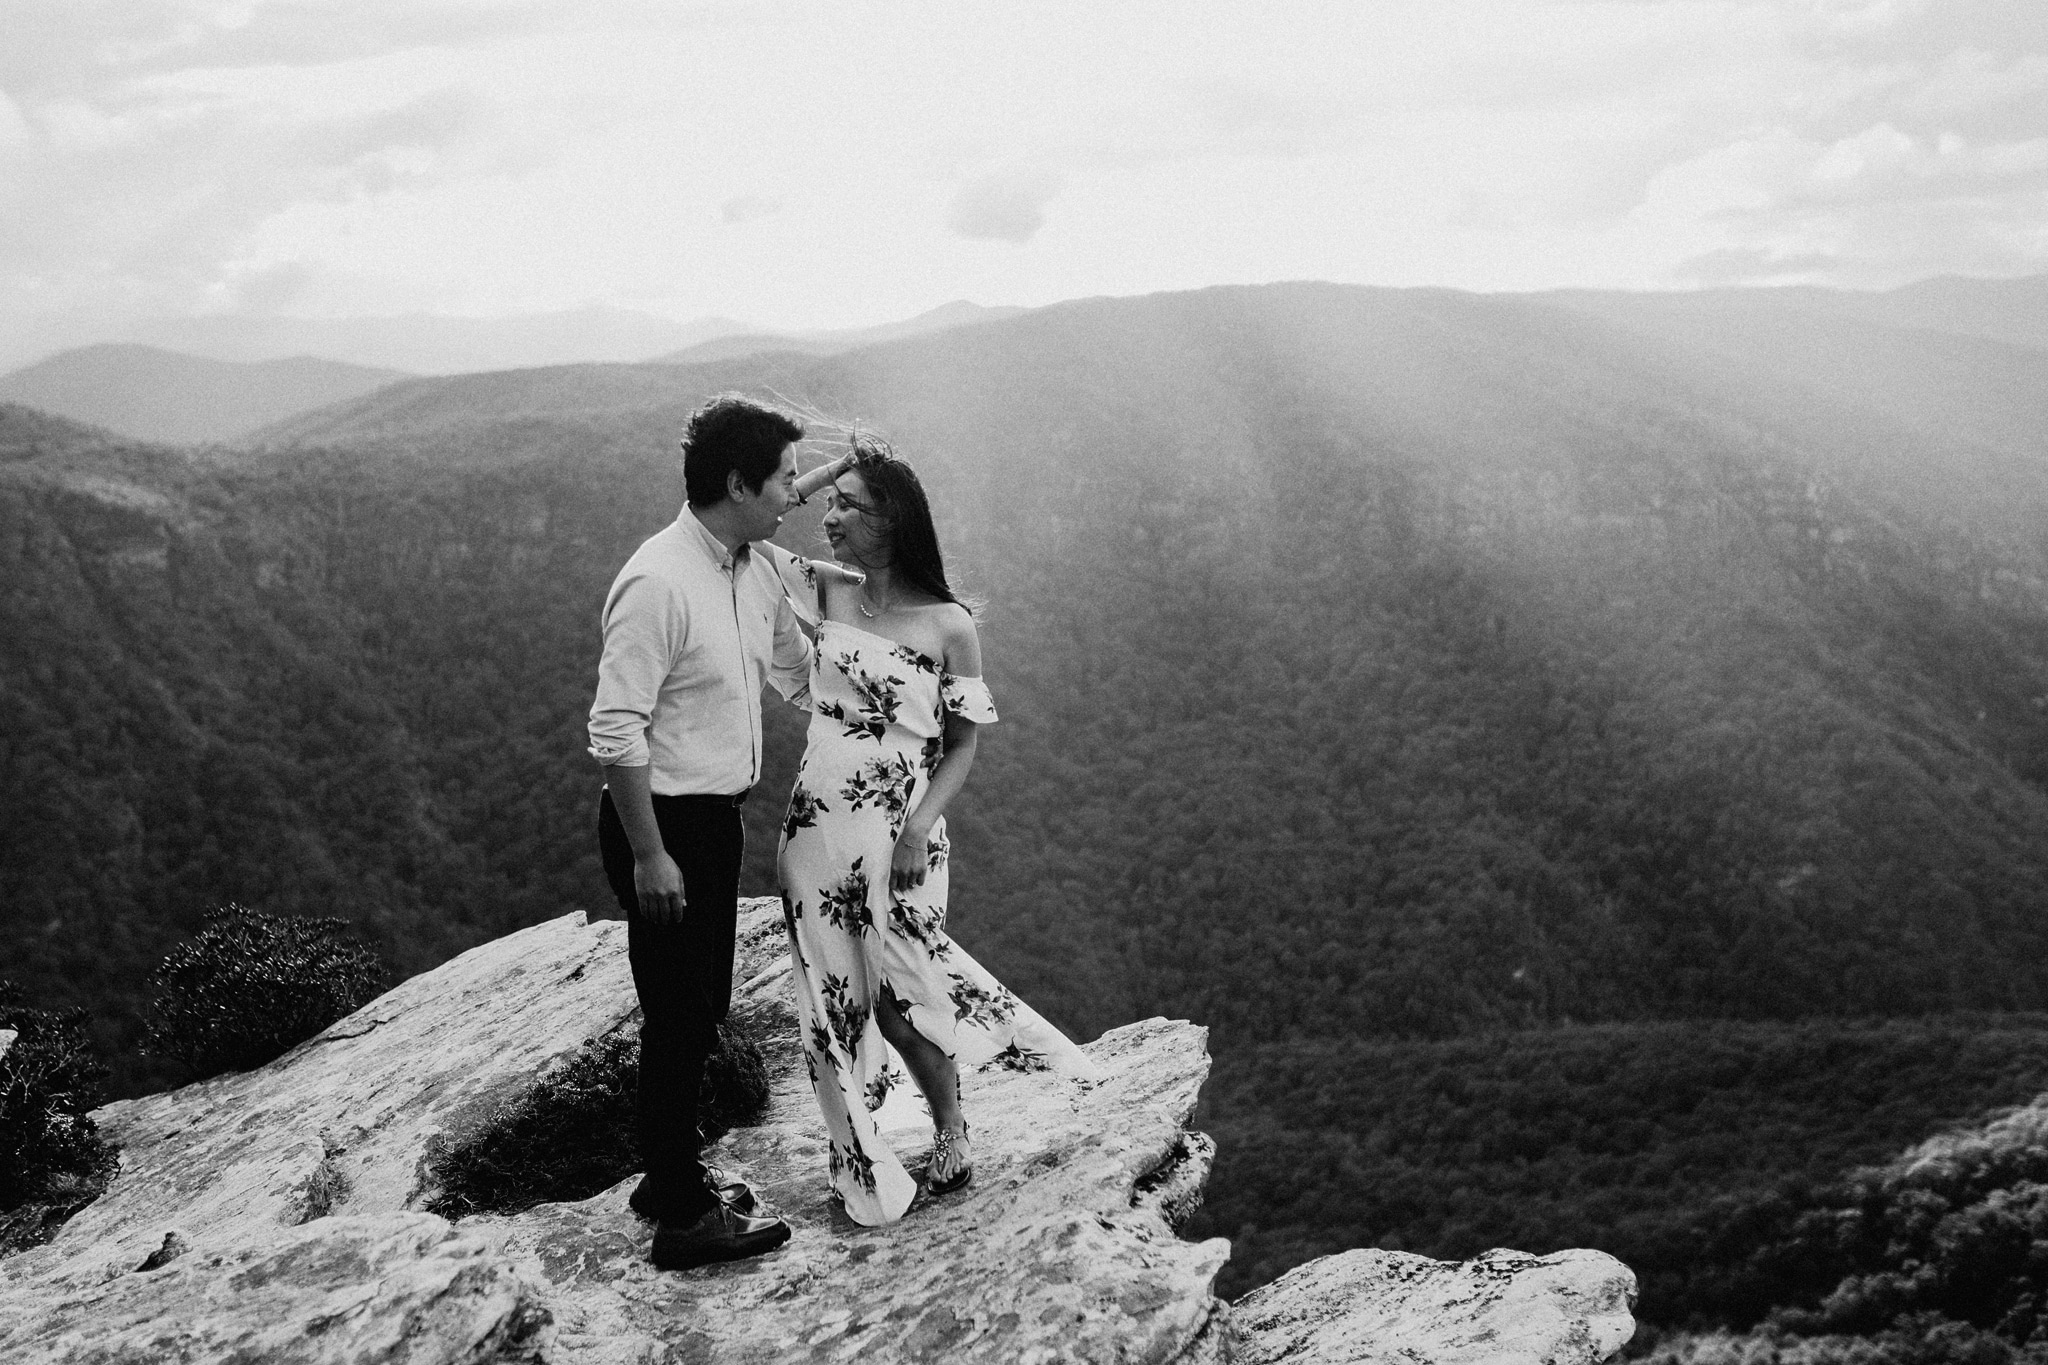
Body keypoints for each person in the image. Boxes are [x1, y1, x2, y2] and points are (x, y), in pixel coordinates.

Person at [770, 437, 1100, 1226]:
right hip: (817, 832)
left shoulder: (950, 625)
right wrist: (827, 469)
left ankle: (952, 1124)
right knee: (833, 1001)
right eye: (830, 501)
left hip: (902, 835)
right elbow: (748, 535)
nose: (830, 516)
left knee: (903, 987)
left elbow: (963, 743)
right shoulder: (828, 589)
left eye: (849, 504)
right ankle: (859, 1152)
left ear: (893, 518)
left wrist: (919, 828)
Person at [587, 394, 854, 1271]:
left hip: (716, 821)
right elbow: (615, 730)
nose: (794, 495)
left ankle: (668, 1175)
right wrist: (649, 854)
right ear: (739, 485)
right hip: (663, 825)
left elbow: (793, 672)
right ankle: (682, 1216)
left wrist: (881, 717)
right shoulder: (658, 581)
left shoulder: (752, 566)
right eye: (783, 480)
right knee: (677, 1016)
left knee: (699, 1010)